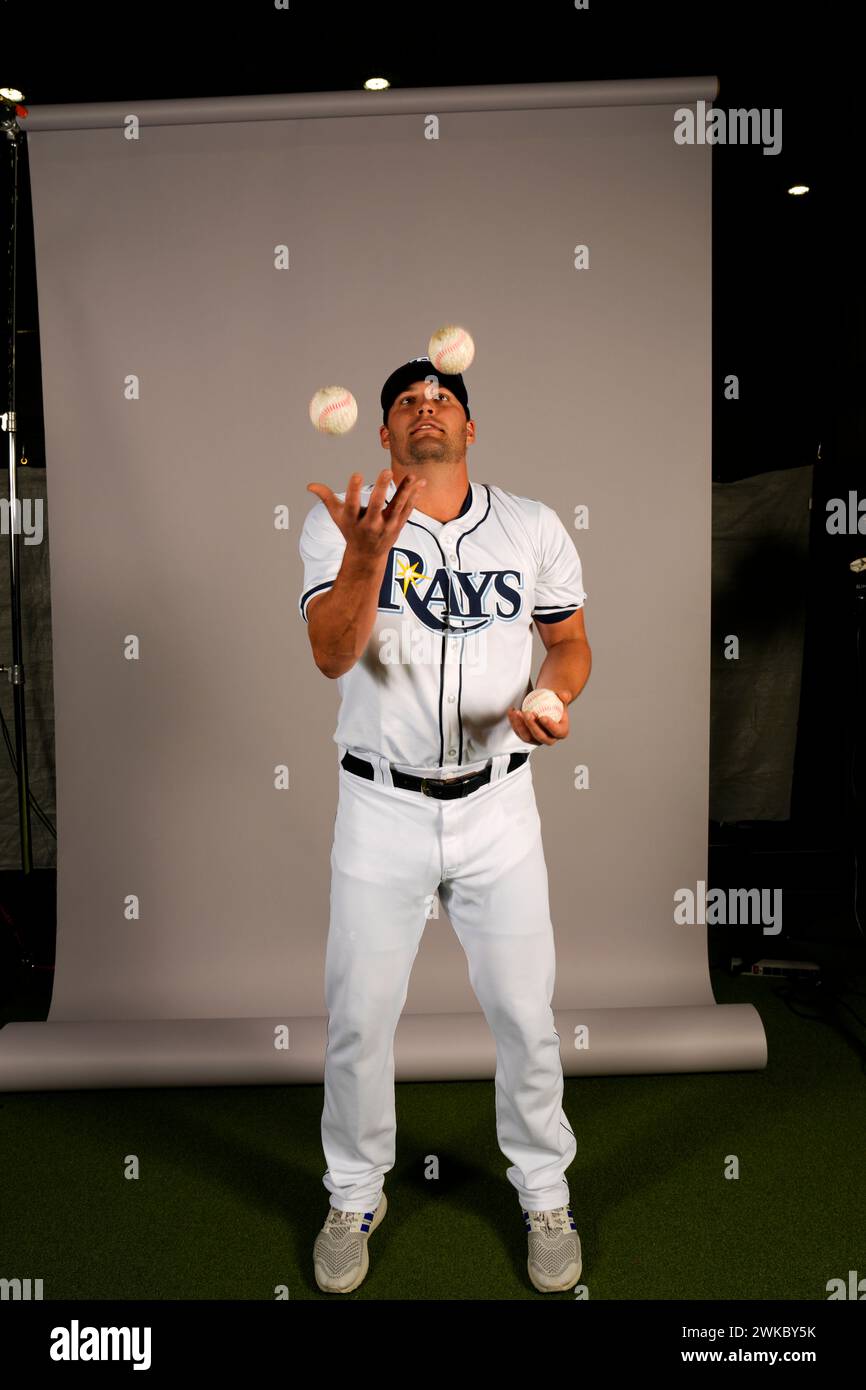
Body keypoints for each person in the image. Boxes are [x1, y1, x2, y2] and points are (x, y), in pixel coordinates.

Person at [298, 357, 592, 1294]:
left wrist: (552, 693)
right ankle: (354, 1192)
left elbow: (571, 639)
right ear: (383, 435)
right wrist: (363, 556)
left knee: (525, 1016)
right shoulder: (339, 526)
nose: (428, 409)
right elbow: (331, 656)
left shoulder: (533, 526)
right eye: (406, 403)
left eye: (444, 398)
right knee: (358, 1020)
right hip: (380, 804)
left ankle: (546, 1194)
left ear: (471, 428)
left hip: (498, 804)